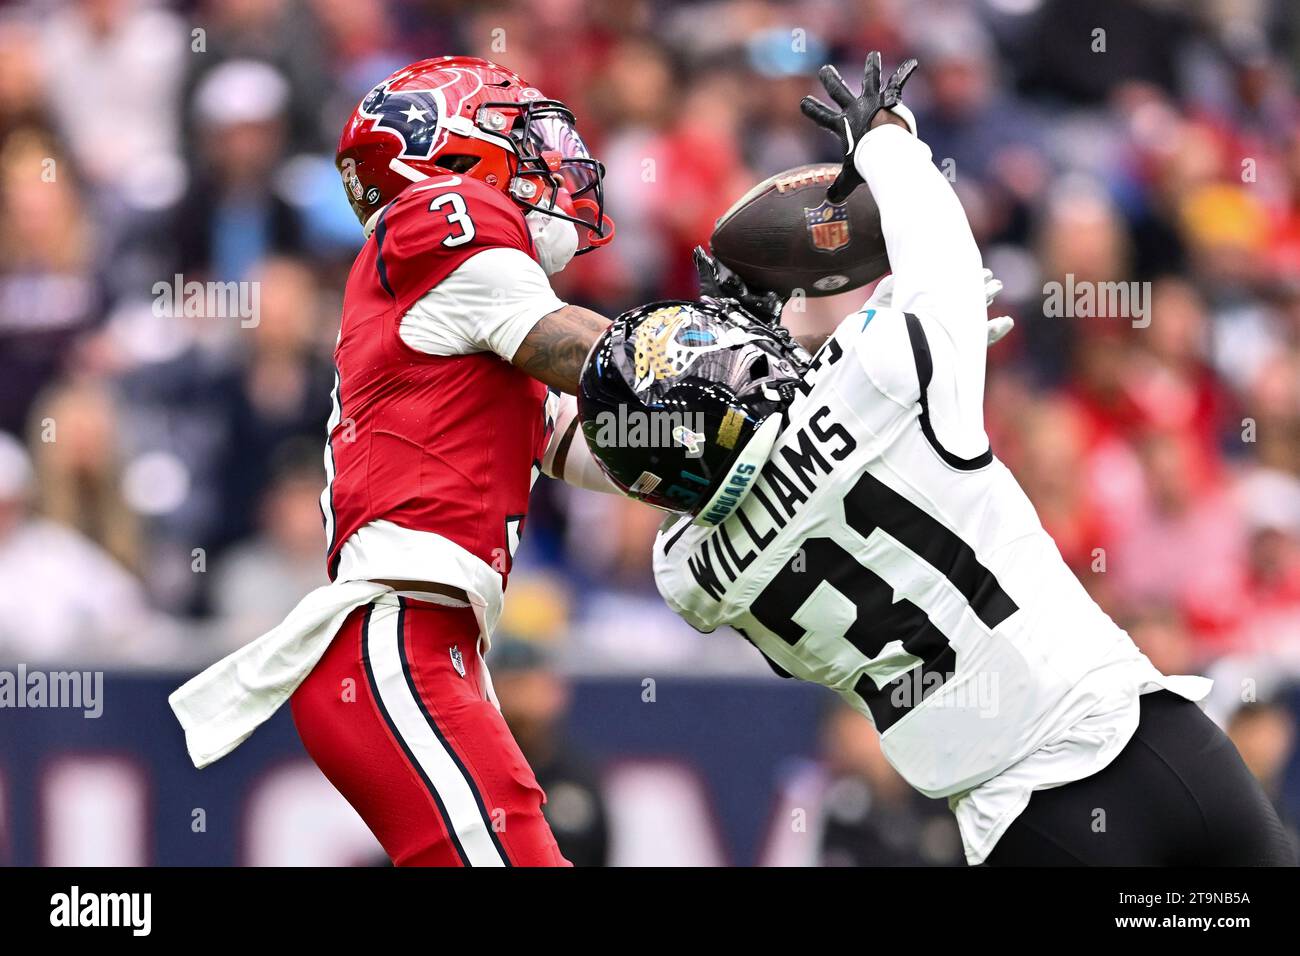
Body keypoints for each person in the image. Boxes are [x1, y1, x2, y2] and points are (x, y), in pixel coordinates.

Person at [579, 53, 1294, 866]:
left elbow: (651, 454)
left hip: (1022, 818)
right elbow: (939, 260)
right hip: (1142, 734)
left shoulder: (689, 575)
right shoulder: (882, 378)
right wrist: (887, 137)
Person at [171, 56, 640, 867]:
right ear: (446, 155)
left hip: (431, 648)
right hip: (396, 638)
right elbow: (598, 364)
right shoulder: (440, 216)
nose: (546, 160)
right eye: (512, 133)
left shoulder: (478, 314)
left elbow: (607, 441)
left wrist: (745, 434)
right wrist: (707, 361)